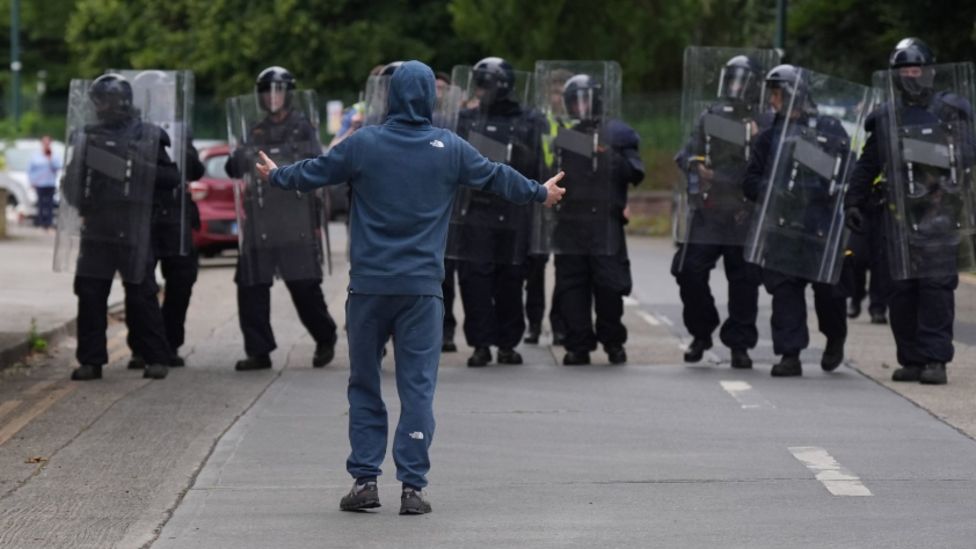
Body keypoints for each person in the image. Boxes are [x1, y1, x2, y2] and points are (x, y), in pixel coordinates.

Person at [257, 60, 565, 515]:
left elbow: (316, 172)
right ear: (431, 98)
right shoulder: (450, 148)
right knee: (417, 388)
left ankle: (365, 482)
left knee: (365, 383)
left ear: (391, 96)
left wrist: (277, 175)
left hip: (369, 289)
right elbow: (497, 176)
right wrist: (540, 192)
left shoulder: (364, 144)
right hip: (422, 289)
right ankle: (413, 488)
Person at [845, 38, 975, 385]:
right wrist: (853, 200)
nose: (911, 77)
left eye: (917, 70)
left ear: (930, 72)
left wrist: (929, 154)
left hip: (938, 211)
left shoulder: (951, 111)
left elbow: (965, 156)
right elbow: (868, 161)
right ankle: (912, 358)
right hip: (897, 215)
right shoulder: (887, 116)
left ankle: (935, 360)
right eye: (905, 71)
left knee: (935, 288)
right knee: (900, 289)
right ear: (895, 75)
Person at [59, 73, 178, 381]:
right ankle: (91, 360)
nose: (100, 106)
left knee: (142, 294)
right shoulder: (89, 137)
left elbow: (171, 180)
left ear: (121, 101)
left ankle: (155, 357)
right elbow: (70, 183)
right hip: (97, 227)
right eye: (97, 100)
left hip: (134, 226)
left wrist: (134, 168)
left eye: (105, 100)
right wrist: (85, 203)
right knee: (90, 293)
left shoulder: (147, 135)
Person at [225, 66, 338, 371]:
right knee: (251, 286)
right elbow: (234, 168)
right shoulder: (255, 129)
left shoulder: (303, 128)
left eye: (278, 91)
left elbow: (315, 165)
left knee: (303, 286)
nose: (272, 97)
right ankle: (258, 350)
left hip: (294, 219)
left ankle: (325, 335)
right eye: (267, 92)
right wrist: (241, 153)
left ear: (288, 95)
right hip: (260, 219)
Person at [742, 64, 850, 377]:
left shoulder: (827, 128)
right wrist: (774, 192)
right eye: (772, 94)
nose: (772, 101)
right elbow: (749, 182)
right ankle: (790, 353)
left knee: (829, 293)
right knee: (785, 290)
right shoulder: (767, 137)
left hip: (820, 224)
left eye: (778, 93)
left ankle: (835, 336)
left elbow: (845, 168)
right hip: (783, 226)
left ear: (794, 94)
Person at [672, 55, 765, 369]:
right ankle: (702, 330)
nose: (736, 87)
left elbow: (765, 170)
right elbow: (687, 154)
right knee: (688, 271)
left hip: (743, 212)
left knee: (744, 280)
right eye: (733, 79)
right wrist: (695, 165)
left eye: (743, 80)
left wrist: (724, 176)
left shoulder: (762, 121)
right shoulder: (709, 115)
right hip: (709, 211)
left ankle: (740, 344)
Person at [450, 57, 543, 367]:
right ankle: (480, 344)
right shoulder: (465, 119)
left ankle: (506, 343)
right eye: (476, 84)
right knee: (474, 279)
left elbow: (534, 164)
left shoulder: (527, 119)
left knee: (510, 278)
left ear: (501, 85)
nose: (478, 91)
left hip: (513, 209)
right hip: (475, 209)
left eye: (483, 84)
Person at [549, 71, 645, 366]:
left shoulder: (617, 134)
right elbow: (554, 174)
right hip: (571, 223)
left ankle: (613, 341)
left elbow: (635, 173)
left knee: (609, 286)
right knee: (572, 286)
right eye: (574, 102)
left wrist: (607, 154)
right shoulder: (566, 137)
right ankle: (578, 344)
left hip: (604, 222)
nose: (579, 108)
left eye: (584, 101)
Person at [124, 71, 206, 370]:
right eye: (153, 93)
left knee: (182, 280)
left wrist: (180, 150)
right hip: (142, 216)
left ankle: (169, 343)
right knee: (140, 284)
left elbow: (196, 170)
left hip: (176, 217)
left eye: (163, 94)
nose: (159, 99)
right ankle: (141, 347)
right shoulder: (129, 128)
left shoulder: (180, 130)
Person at [527, 68, 573, 345]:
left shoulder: (573, 123)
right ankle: (534, 322)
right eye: (554, 92)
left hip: (567, 199)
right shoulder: (536, 121)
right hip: (540, 195)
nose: (558, 98)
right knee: (536, 264)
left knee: (565, 267)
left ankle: (559, 323)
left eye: (563, 93)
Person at [27, 135, 61, 231]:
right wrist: (31, 181)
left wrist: (50, 159)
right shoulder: (35, 155)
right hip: (39, 183)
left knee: (49, 203)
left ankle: (48, 223)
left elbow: (57, 168)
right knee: (41, 203)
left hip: (50, 183)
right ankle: (41, 222)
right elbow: (30, 170)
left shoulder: (54, 155)